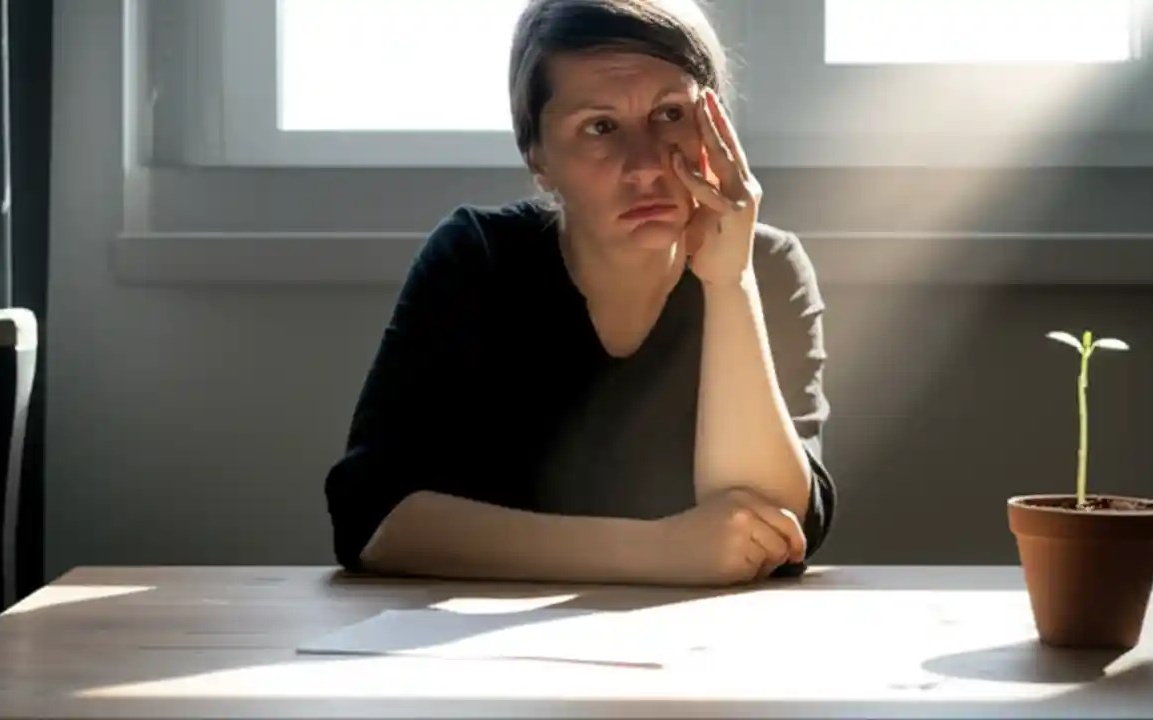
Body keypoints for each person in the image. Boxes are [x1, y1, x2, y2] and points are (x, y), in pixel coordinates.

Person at [324, 0, 836, 586]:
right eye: (600, 127)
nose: (646, 166)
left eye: (671, 114)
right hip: (489, 639)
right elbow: (371, 517)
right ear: (537, 157)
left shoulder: (766, 267)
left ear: (717, 130)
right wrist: (658, 551)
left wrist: (728, 283)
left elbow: (773, 530)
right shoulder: (477, 258)